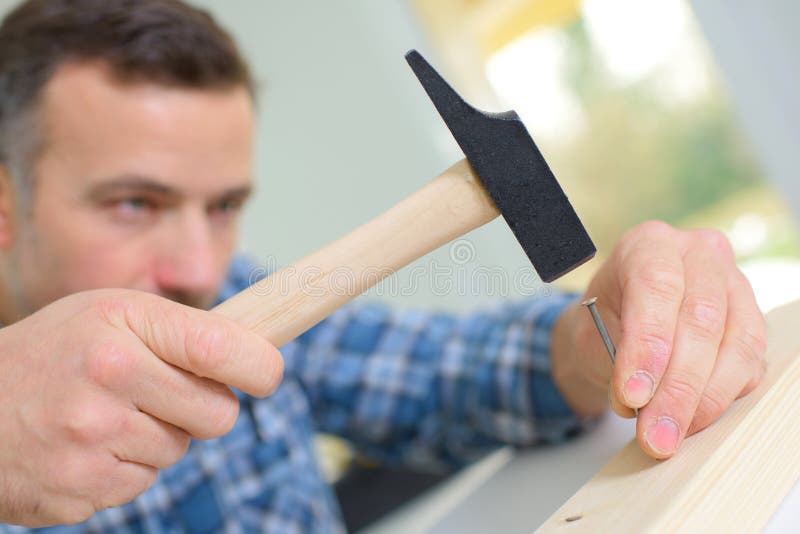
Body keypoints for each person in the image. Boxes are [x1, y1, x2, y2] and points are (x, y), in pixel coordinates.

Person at [0, 0, 767, 532]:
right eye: (135, 203)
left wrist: (609, 331)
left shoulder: (239, 299)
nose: (199, 264)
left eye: (225, 205)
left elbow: (453, 376)